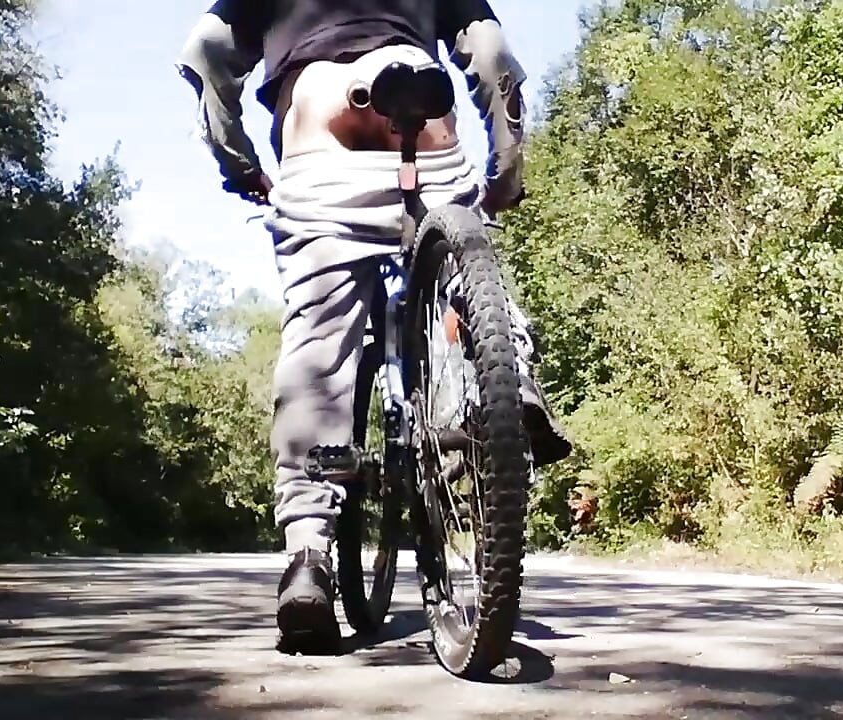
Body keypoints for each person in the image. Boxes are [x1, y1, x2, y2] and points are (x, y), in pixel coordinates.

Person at [175, 0, 571, 653]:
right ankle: (508, 377)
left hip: (320, 120)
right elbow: (494, 60)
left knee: (320, 341)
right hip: (419, 94)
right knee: (460, 266)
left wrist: (239, 164)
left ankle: (308, 557)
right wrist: (509, 165)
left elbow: (207, 56)